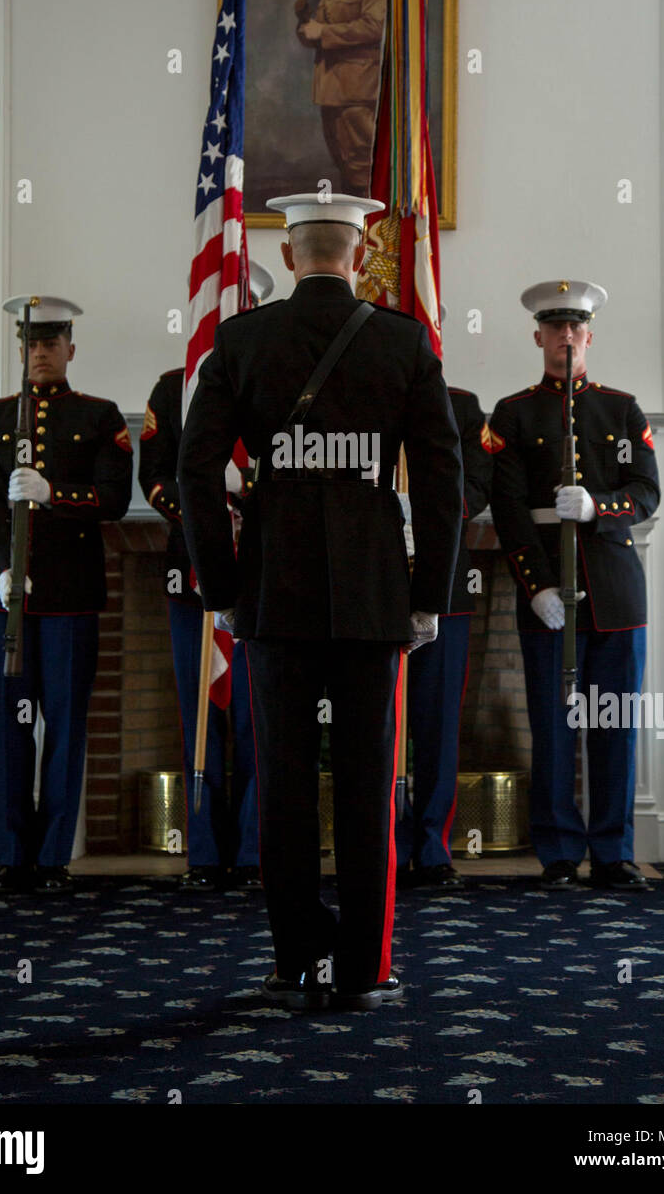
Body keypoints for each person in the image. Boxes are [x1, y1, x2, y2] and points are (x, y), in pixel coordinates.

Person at [178, 192, 463, 1010]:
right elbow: (441, 481)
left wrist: (223, 587)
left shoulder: (241, 339)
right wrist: (427, 597)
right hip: (377, 599)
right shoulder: (405, 342)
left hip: (274, 596)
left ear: (295, 255)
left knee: (286, 782)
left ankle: (295, 959)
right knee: (369, 783)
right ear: (356, 251)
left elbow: (197, 471)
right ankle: (365, 967)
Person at [488, 280, 660, 892]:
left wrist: (597, 505)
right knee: (555, 728)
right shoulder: (512, 413)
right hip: (547, 593)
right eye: (554, 327)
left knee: (613, 727)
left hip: (615, 593)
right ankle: (559, 853)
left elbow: (646, 494)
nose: (565, 337)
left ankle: (612, 853)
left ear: (590, 335)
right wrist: (534, 586)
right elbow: (507, 509)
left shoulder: (622, 409)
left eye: (575, 327)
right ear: (538, 336)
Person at [0, 295, 132, 892]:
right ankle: (13, 855)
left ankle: (54, 855)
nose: (41, 353)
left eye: (52, 343)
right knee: (10, 722)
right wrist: (4, 570)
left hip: (69, 597)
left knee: (64, 723)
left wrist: (51, 491)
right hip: (2, 596)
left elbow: (113, 500)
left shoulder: (101, 415)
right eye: (33, 344)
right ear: (20, 350)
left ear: (70, 350)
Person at [139, 365, 260, 890]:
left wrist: (248, 490)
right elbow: (155, 477)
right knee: (200, 715)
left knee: (259, 722)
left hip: (262, 572)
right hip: (193, 570)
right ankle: (206, 851)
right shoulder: (172, 388)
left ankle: (256, 850)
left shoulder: (274, 375)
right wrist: (208, 505)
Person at [396, 385, 492, 892]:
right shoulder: (359, 390)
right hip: (374, 584)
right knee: (378, 728)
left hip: (445, 584)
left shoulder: (462, 404)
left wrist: (427, 509)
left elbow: (478, 486)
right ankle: (385, 842)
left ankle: (432, 847)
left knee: (437, 727)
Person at [295, 0, 387, 196]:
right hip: (332, 89)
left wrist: (322, 32)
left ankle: (375, 233)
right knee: (345, 164)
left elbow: (375, 27)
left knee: (363, 164)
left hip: (358, 89)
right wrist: (305, 26)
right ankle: (355, 233)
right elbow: (320, 34)